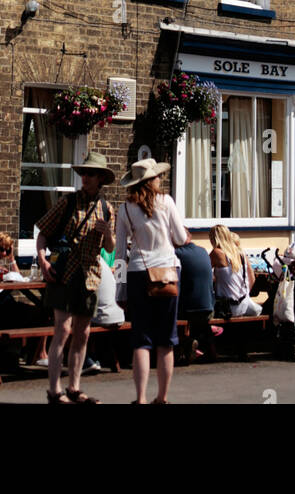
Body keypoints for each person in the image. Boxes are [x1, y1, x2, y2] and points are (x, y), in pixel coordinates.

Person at [35, 149, 115, 405]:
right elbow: (43, 233)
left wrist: (108, 234)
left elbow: (111, 248)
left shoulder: (106, 208)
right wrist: (42, 260)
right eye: (84, 173)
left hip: (90, 275)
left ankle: (74, 387)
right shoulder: (67, 202)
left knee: (83, 333)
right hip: (65, 273)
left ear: (101, 178)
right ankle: (54, 390)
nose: (86, 177)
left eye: (91, 173)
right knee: (63, 329)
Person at [115, 158, 190, 404]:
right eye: (157, 175)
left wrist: (120, 289)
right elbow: (179, 238)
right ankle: (163, 397)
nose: (160, 178)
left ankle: (140, 398)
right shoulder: (167, 202)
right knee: (166, 339)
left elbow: (119, 254)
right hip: (167, 272)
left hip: (138, 273)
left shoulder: (125, 209)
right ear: (152, 180)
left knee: (141, 339)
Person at [176, 238, 218, 361]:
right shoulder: (203, 251)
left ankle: (185, 343)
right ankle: (210, 350)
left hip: (188, 310)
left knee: (168, 310)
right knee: (202, 322)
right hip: (209, 307)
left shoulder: (176, 254)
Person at [209, 225, 262, 317]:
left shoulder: (216, 253)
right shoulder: (241, 253)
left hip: (227, 307)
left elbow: (203, 271)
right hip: (244, 304)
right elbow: (251, 279)